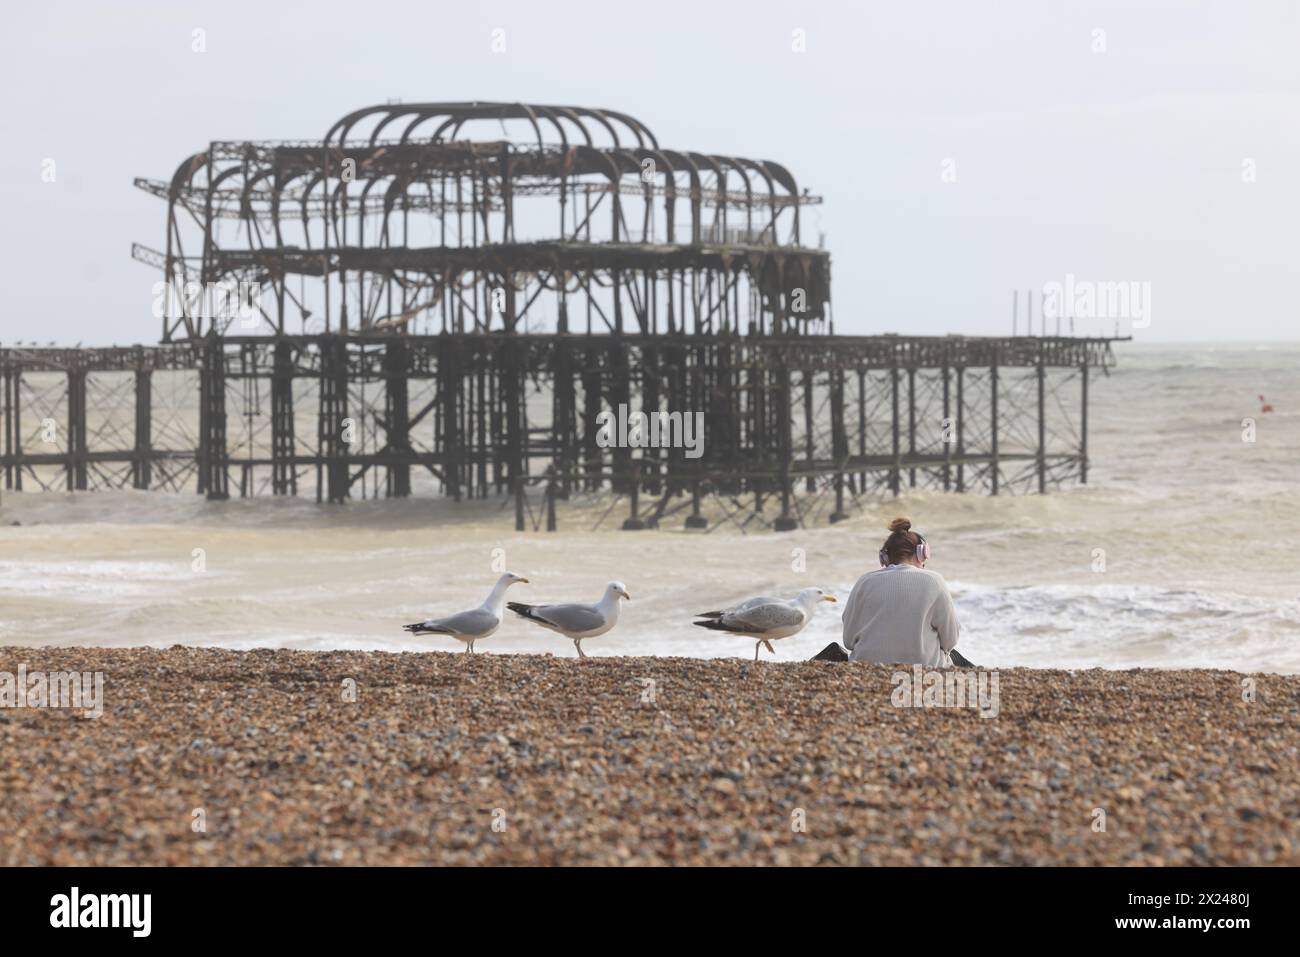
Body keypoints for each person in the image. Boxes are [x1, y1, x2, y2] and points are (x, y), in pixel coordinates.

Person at [812, 517, 969, 666]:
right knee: (956, 658)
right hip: (925, 667)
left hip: (866, 667)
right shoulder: (935, 580)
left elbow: (848, 640)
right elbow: (950, 640)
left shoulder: (864, 582)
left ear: (884, 558)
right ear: (922, 554)